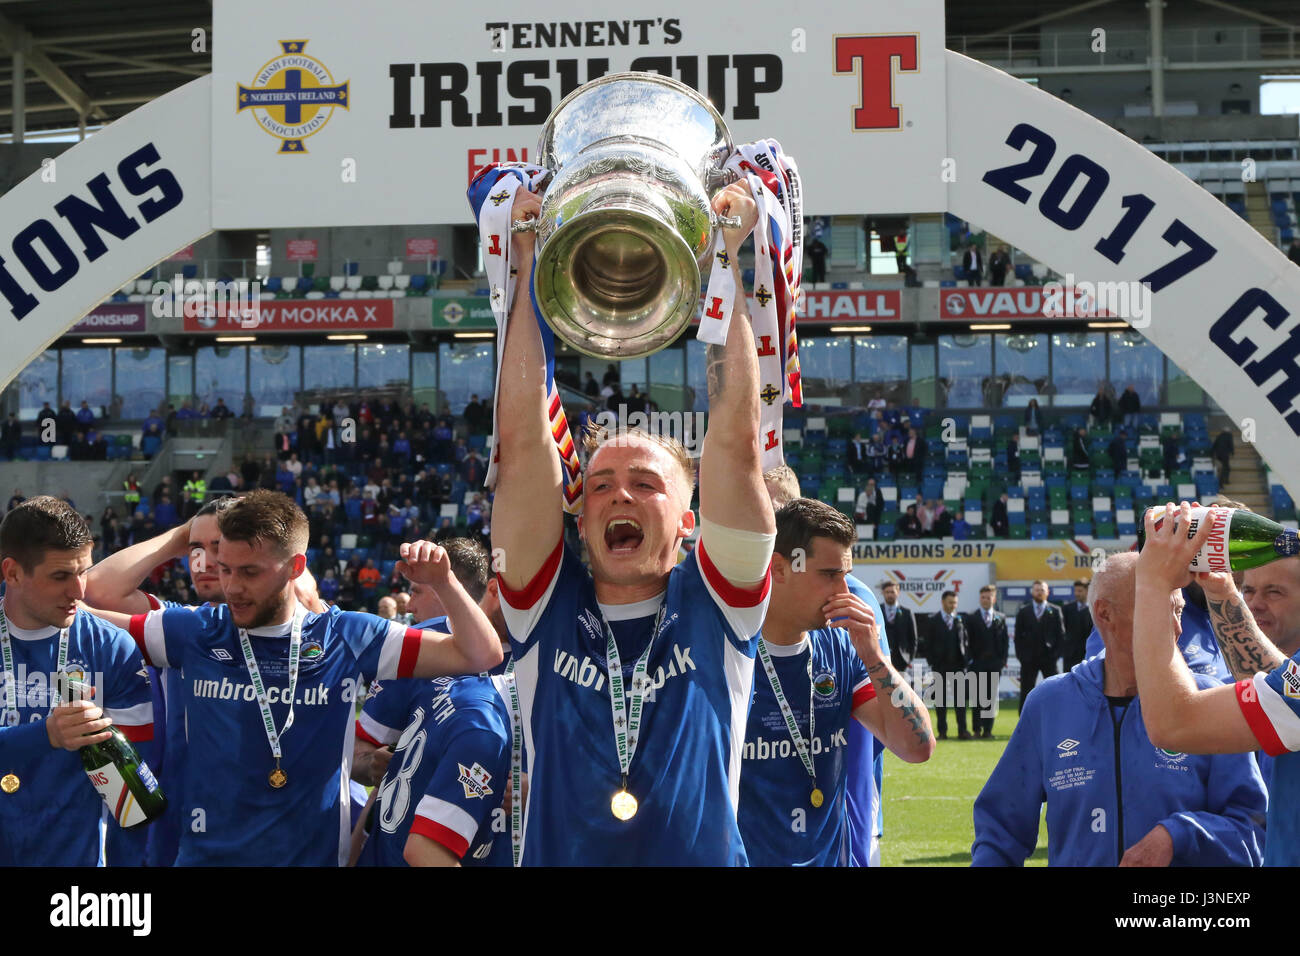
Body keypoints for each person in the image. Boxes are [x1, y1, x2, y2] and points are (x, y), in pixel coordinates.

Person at [489, 180, 776, 866]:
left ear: (687, 520)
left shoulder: (721, 604)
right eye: (601, 485)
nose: (619, 496)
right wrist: (530, 264)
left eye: (646, 484)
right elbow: (525, 443)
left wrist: (725, 262)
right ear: (580, 517)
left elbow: (737, 444)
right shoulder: (542, 604)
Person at [86, 490, 502, 866]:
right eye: (226, 570)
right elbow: (85, 610)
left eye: (250, 573)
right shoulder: (198, 630)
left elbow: (480, 653)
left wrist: (444, 582)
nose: (232, 587)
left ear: (294, 567)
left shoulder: (347, 636)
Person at [973, 551, 1266, 866]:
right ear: (1105, 614)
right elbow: (1000, 830)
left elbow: (1253, 831)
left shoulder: (1213, 701)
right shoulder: (1048, 705)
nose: (1177, 628)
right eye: (1158, 610)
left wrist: (1178, 835)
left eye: (1179, 610)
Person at [738, 499, 932, 866]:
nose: (845, 590)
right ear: (779, 568)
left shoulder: (839, 645)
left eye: (846, 574)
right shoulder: (731, 650)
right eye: (829, 574)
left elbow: (916, 748)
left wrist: (875, 657)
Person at [0, 496, 155, 866]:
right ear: (13, 573)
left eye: (83, 571)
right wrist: (45, 736)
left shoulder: (111, 647)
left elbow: (133, 796)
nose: (79, 592)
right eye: (60, 577)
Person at [923, 591, 969, 740]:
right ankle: (942, 732)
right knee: (940, 702)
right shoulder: (932, 620)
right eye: (950, 602)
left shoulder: (960, 620)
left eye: (955, 603)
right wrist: (932, 662)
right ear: (943, 602)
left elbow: (965, 641)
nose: (953, 605)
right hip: (940, 667)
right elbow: (927, 644)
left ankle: (962, 731)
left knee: (960, 701)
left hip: (958, 666)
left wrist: (965, 660)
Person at [964, 585, 1007, 738]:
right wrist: (969, 660)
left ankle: (988, 730)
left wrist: (1003, 660)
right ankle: (977, 730)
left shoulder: (1000, 617)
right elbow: (966, 641)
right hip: (977, 664)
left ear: (994, 599)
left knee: (991, 698)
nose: (986, 600)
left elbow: (1004, 641)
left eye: (989, 597)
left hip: (995, 664)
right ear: (979, 598)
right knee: (977, 698)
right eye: (983, 597)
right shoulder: (971, 618)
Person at [1014, 580, 1064, 713]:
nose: (1039, 592)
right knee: (1026, 690)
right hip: (1028, 659)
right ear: (1032, 592)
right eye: (1036, 590)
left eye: (1042, 590)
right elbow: (1017, 637)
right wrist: (1022, 656)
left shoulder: (1055, 610)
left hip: (1049, 658)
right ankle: (1024, 722)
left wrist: (1055, 655)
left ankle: (1056, 717)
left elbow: (1060, 635)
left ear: (1048, 592)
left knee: (1054, 689)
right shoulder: (1023, 611)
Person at [1061, 579, 1092, 672]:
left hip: (1089, 655)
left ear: (1087, 591)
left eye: (1080, 591)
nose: (1077, 593)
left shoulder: (1095, 609)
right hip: (1070, 656)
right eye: (1075, 591)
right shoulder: (1066, 609)